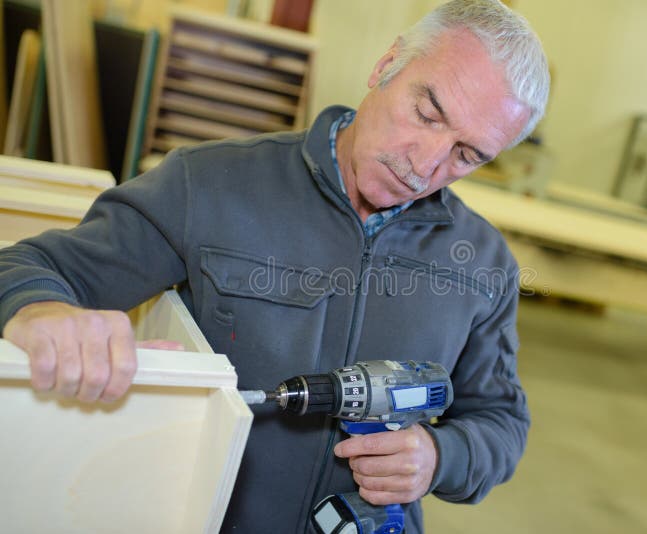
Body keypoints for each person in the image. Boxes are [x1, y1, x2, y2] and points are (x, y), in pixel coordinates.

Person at [0, 0, 549, 531]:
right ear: (387, 64)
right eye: (426, 113)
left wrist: (439, 455)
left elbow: (500, 421)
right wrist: (41, 310)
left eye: (467, 155)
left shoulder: (482, 262)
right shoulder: (211, 184)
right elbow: (33, 264)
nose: (425, 164)